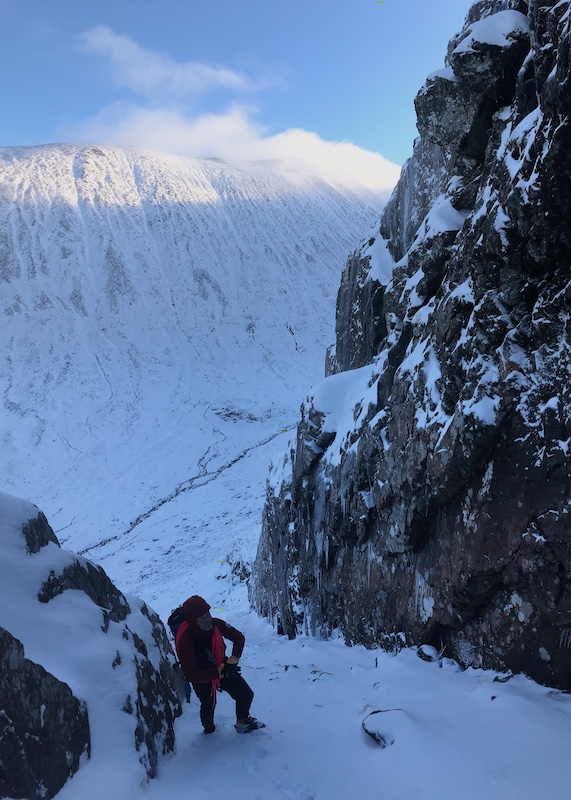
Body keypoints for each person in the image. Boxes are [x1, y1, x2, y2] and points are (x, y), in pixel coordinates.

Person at [175, 595, 265, 734]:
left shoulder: (216, 625)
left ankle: (242, 722)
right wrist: (217, 673)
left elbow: (238, 637)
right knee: (208, 704)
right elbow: (191, 674)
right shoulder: (186, 640)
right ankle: (208, 728)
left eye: (207, 614)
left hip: (223, 666)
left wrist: (233, 661)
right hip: (202, 675)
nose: (207, 620)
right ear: (193, 621)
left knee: (245, 694)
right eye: (202, 618)